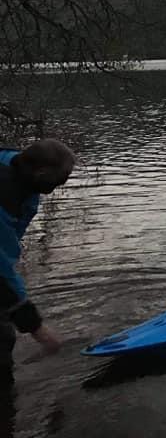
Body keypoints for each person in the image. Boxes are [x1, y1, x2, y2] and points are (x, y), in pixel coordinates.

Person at [0, 139, 75, 367]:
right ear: (41, 173)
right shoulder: (4, 196)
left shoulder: (19, 165)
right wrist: (38, 329)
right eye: (59, 180)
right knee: (2, 337)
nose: (58, 187)